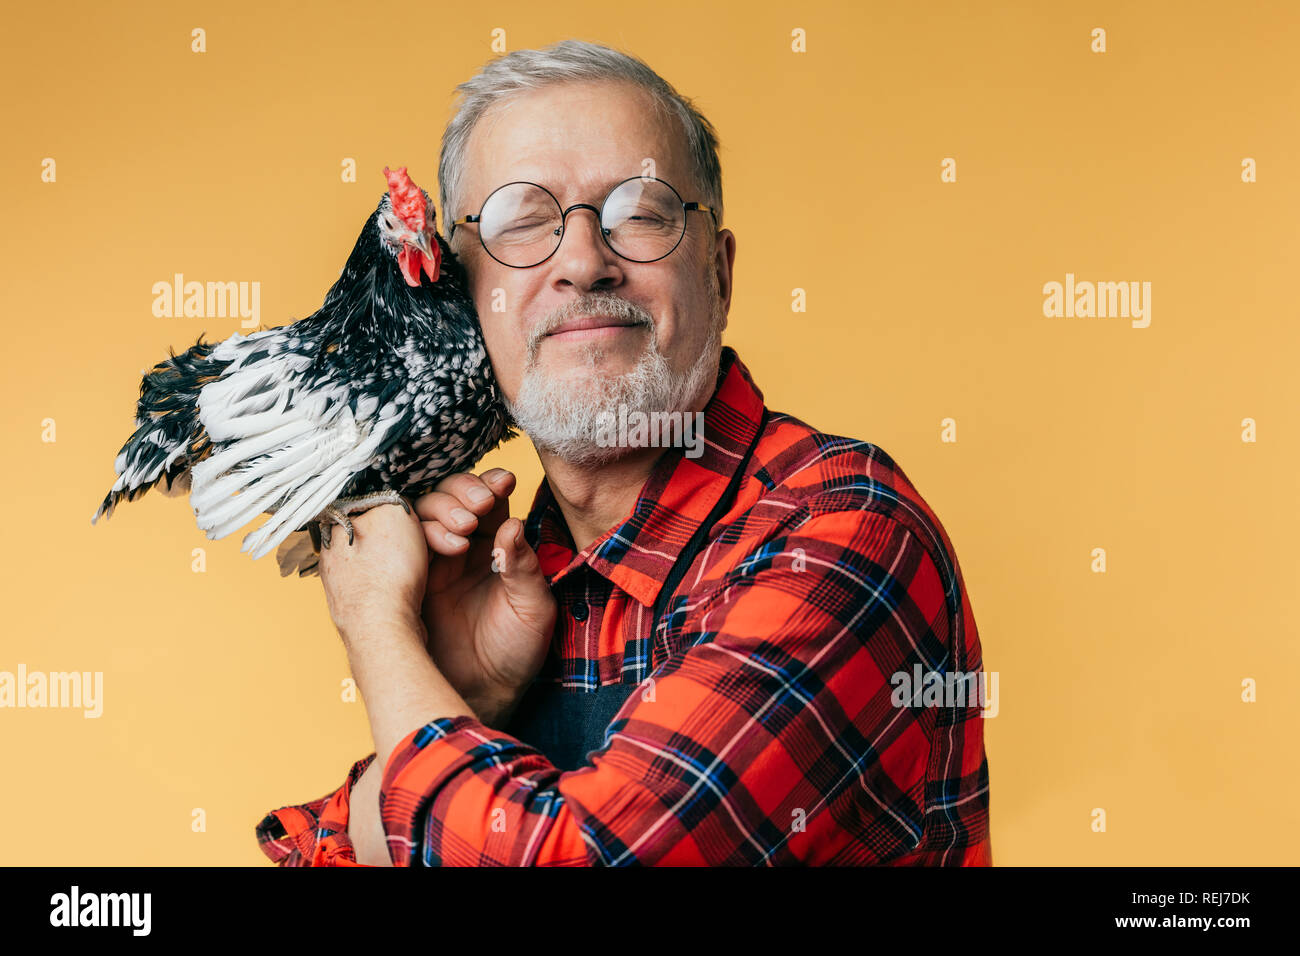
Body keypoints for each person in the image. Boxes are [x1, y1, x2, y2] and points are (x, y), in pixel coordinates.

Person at [255, 38, 991, 867]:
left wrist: (376, 626)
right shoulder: (513, 580)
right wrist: (472, 699)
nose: (581, 263)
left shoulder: (845, 530)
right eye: (521, 221)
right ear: (463, 298)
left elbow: (584, 859)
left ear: (718, 272)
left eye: (639, 212)